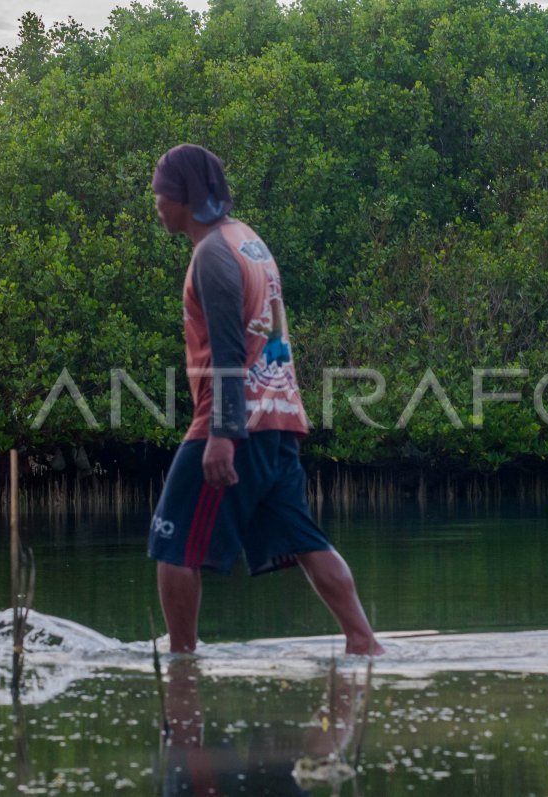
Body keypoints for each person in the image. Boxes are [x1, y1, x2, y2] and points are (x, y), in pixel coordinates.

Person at [147, 143, 382, 656]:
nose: (157, 204)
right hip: (280, 417)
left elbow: (230, 349)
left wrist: (222, 436)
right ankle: (364, 643)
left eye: (161, 193)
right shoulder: (248, 240)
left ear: (183, 195)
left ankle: (182, 658)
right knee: (304, 538)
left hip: (234, 422)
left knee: (173, 543)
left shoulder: (212, 254)